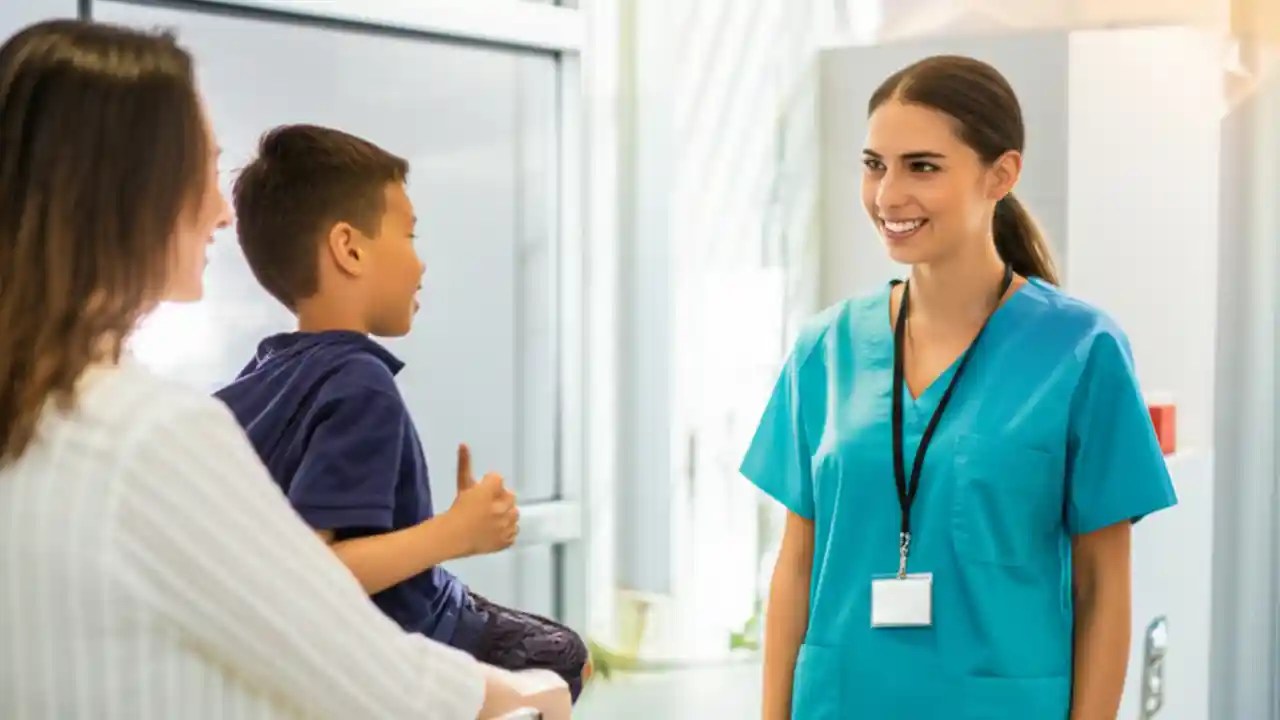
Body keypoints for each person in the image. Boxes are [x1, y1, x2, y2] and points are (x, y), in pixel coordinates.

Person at [0, 19, 569, 720]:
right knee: (559, 657)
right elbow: (356, 657)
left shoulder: (42, 419)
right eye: (204, 170)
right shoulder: (148, 437)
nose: (218, 213)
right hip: (416, 654)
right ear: (128, 190)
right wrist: (521, 690)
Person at [742, 55, 1178, 720]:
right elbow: (796, 565)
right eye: (873, 164)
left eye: (922, 166)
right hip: (838, 702)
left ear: (1000, 175)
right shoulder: (825, 349)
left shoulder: (1083, 351)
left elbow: (1103, 585)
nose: (887, 195)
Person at [213, 123, 591, 701]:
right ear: (350, 248)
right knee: (570, 660)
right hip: (409, 636)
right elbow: (317, 573)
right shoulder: (359, 381)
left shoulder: (258, 377)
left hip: (371, 624)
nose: (421, 265)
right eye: (410, 236)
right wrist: (457, 532)